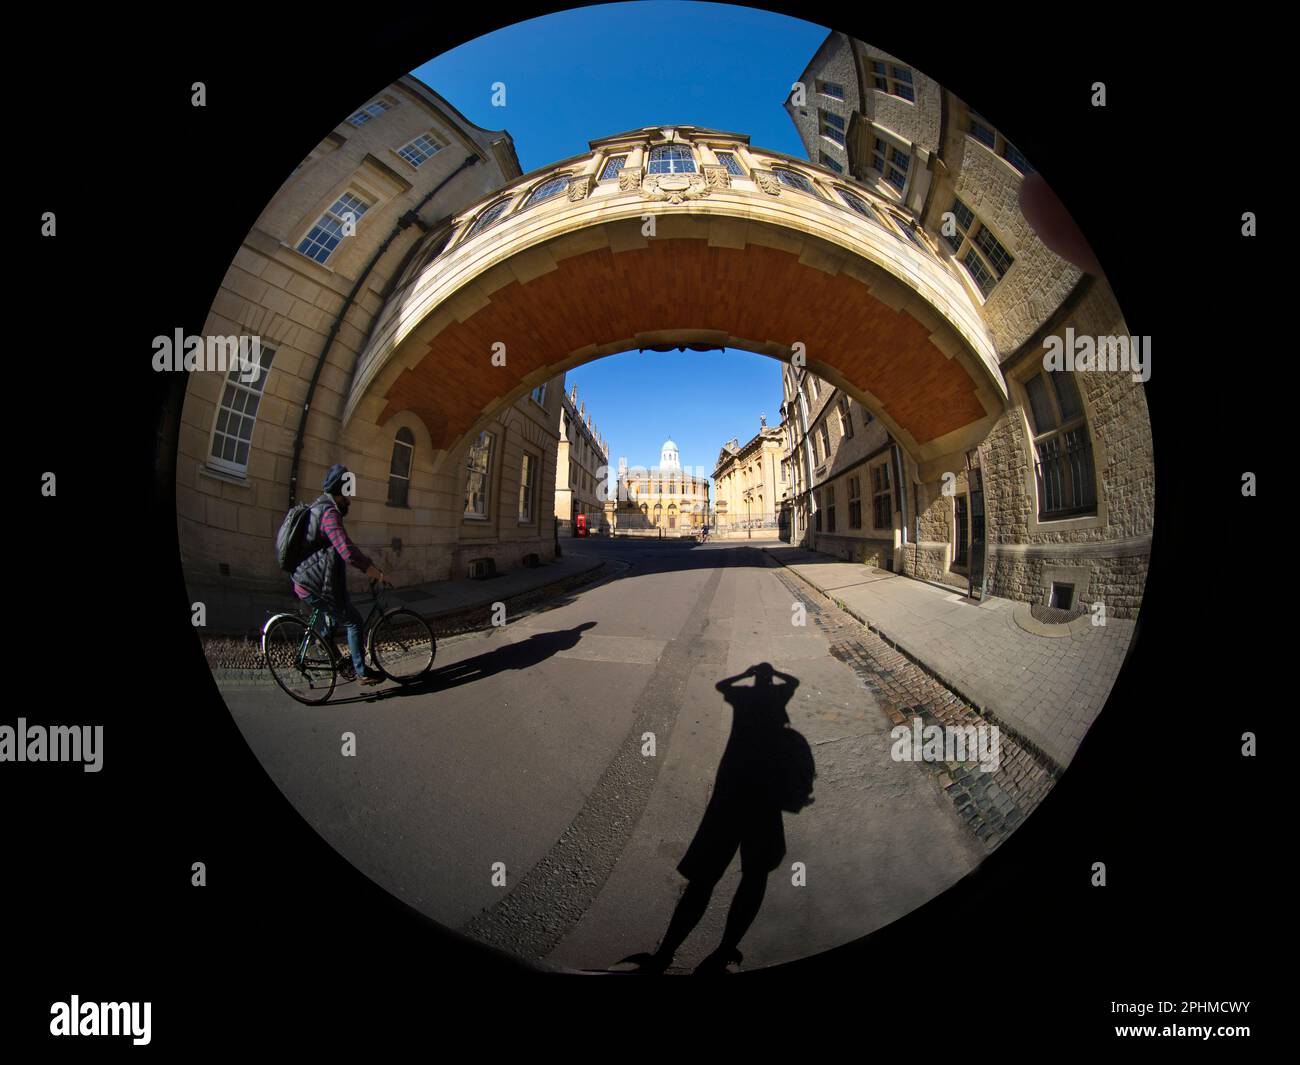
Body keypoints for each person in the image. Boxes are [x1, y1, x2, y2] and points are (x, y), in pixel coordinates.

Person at [292, 463, 388, 685]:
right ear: (340, 491)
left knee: (335, 616)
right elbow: (346, 551)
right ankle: (361, 671)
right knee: (354, 621)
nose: (350, 500)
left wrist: (368, 562)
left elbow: (344, 545)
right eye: (348, 494)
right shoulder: (329, 513)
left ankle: (328, 646)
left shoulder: (321, 507)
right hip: (314, 584)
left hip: (317, 581)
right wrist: (375, 572)